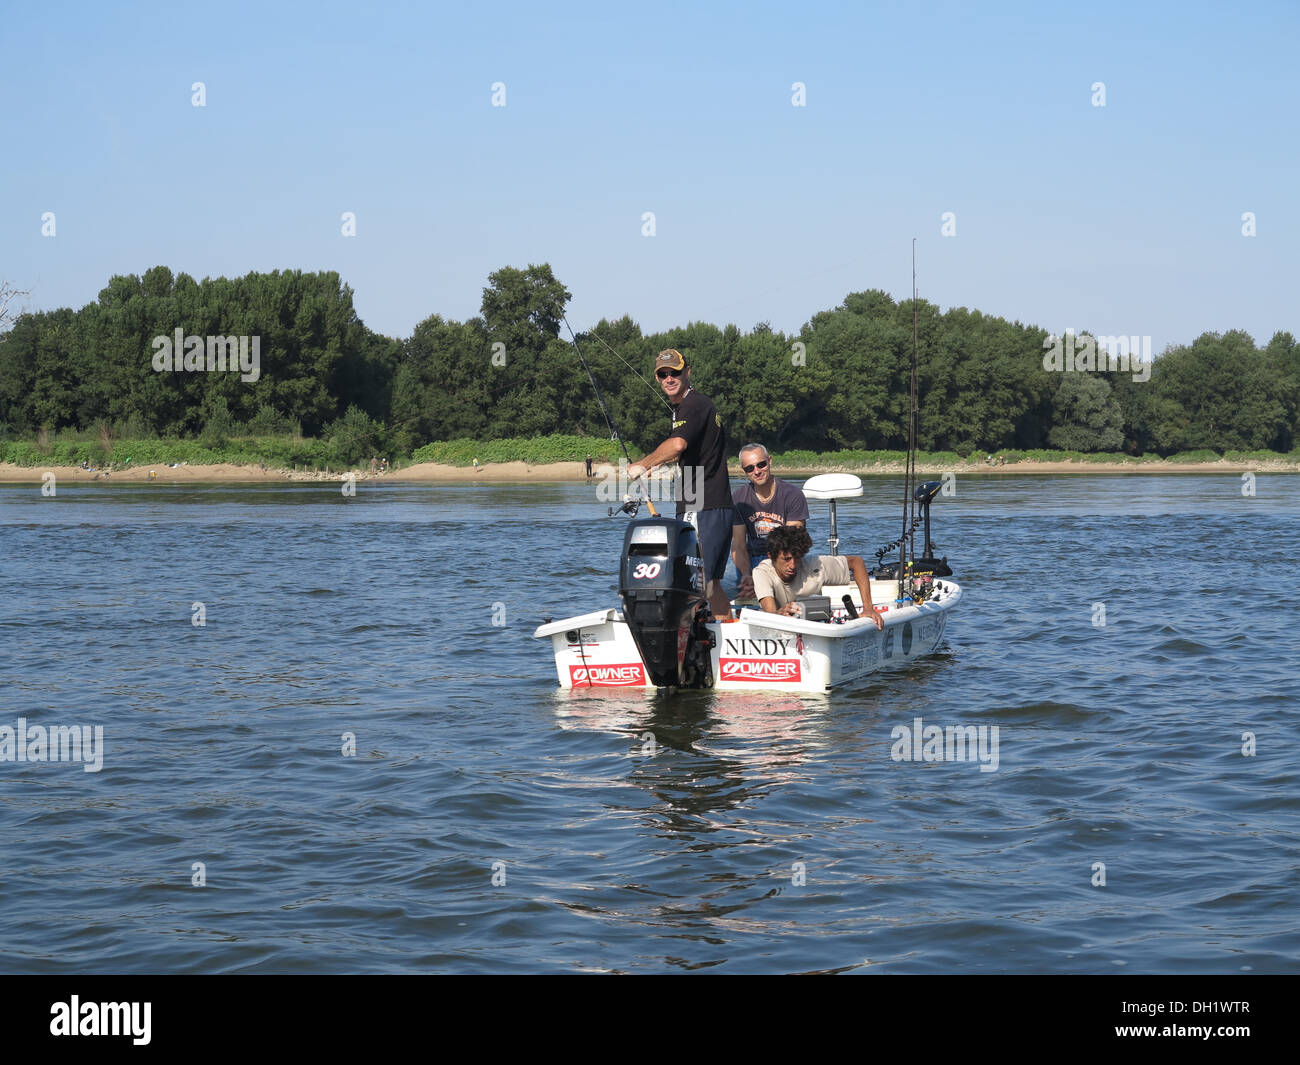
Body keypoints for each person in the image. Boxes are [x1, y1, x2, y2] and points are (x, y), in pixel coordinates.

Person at [626, 349, 736, 621]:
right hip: (710, 503)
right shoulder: (691, 407)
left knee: (694, 582)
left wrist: (642, 463)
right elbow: (693, 453)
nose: (669, 378)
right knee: (710, 584)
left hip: (701, 503)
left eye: (674, 372)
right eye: (663, 374)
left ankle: (687, 642)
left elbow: (677, 445)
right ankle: (728, 632)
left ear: (687, 371)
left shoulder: (692, 404)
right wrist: (655, 464)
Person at [753, 526, 883, 630]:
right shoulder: (762, 573)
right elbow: (770, 613)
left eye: (797, 558)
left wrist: (868, 609)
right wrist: (780, 613)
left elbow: (857, 563)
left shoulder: (813, 564)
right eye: (786, 559)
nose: (792, 565)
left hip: (817, 624)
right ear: (771, 556)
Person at [730, 443, 808, 598]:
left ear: (769, 461)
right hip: (753, 559)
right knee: (718, 580)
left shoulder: (793, 494)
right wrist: (747, 576)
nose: (757, 471)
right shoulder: (738, 498)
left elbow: (792, 544)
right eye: (750, 468)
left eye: (761, 464)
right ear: (744, 471)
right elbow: (738, 545)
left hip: (783, 558)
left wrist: (764, 577)